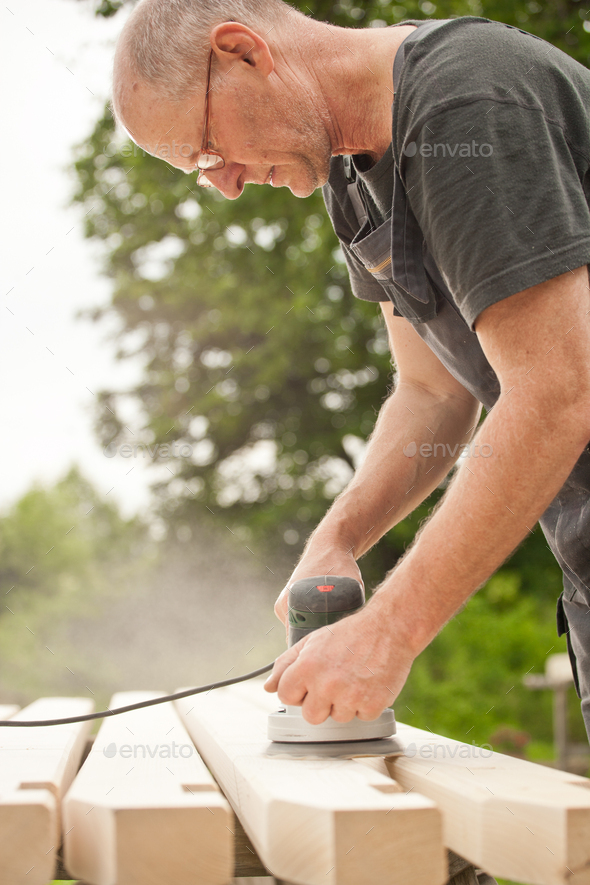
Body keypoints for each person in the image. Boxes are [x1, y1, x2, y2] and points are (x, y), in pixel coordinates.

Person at [112, 0, 590, 741]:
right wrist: (336, 538)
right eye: (198, 174)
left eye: (207, 150)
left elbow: (558, 391)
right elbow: (433, 390)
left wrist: (388, 633)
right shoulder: (349, 174)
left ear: (242, 50)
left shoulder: (468, 104)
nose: (226, 185)